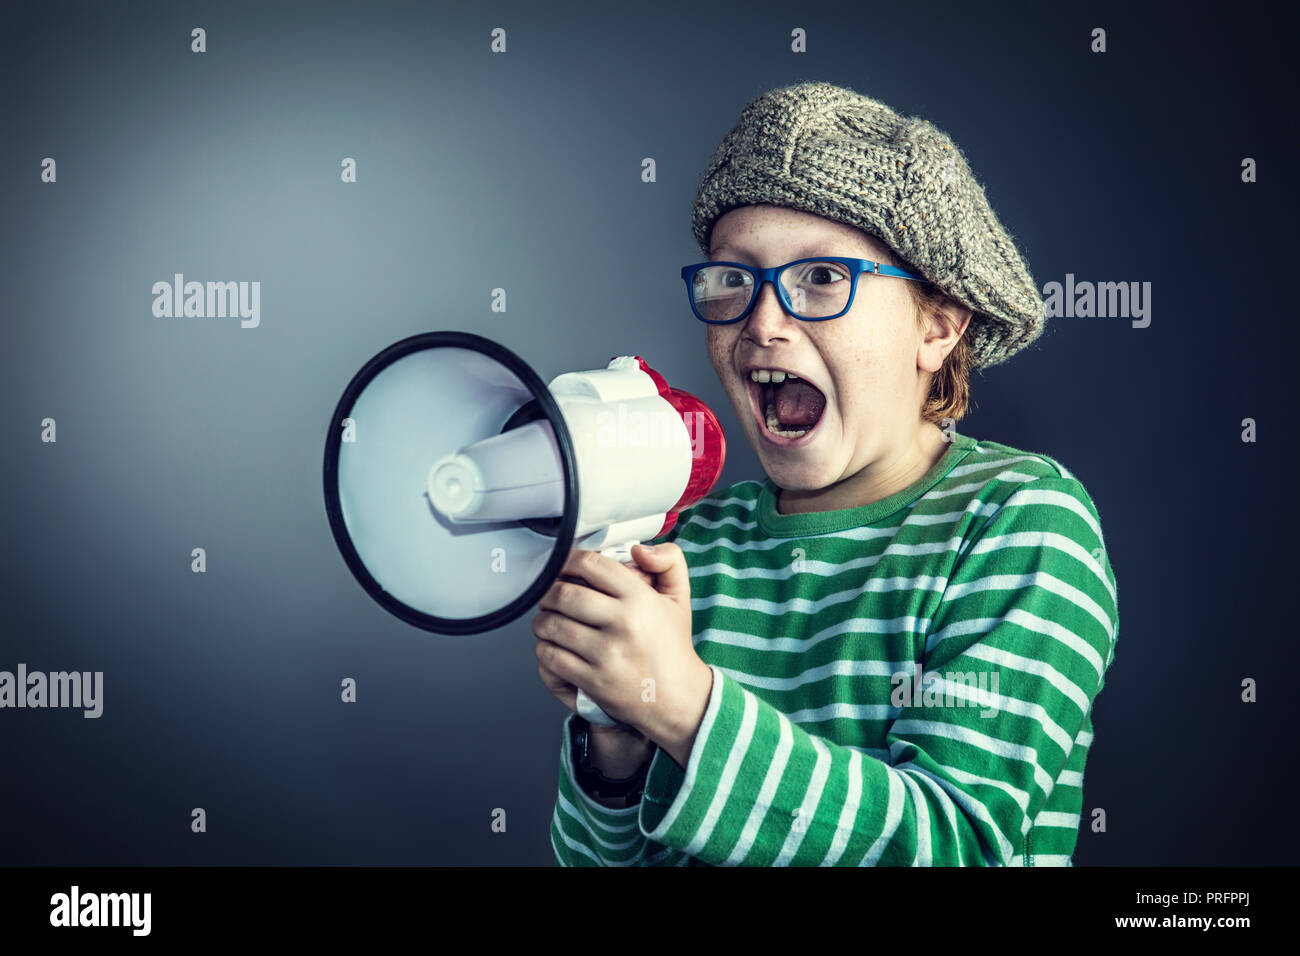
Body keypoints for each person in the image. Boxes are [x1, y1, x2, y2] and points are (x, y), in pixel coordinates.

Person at [533, 80, 1118, 866]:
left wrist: (683, 706)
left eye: (820, 279)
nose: (761, 322)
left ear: (937, 326)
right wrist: (616, 744)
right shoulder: (685, 546)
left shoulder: (1018, 523)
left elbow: (954, 846)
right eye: (733, 279)